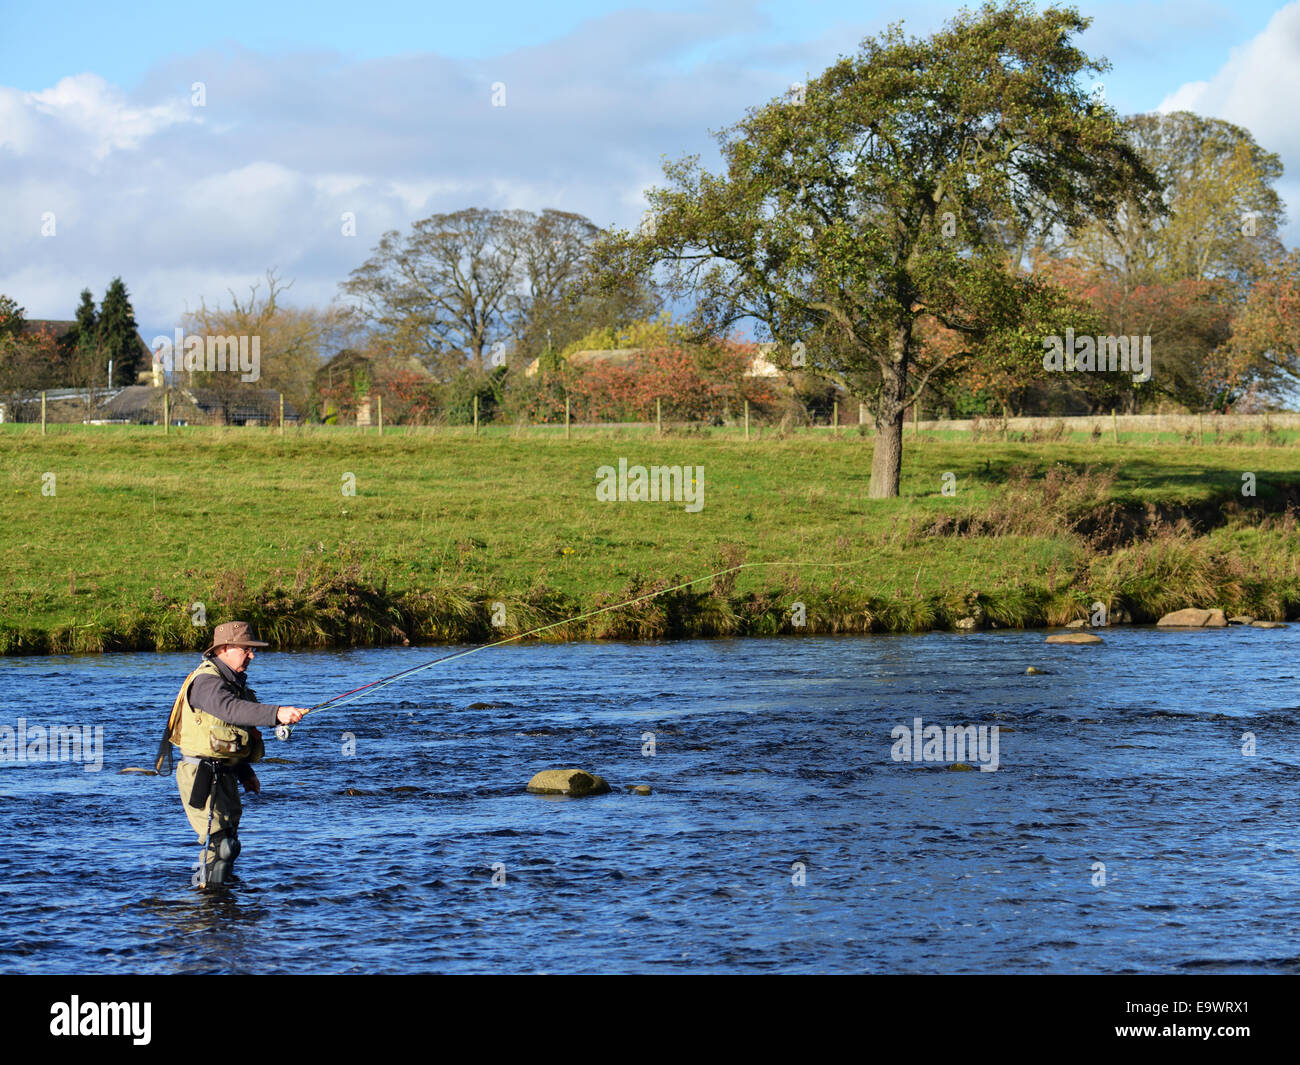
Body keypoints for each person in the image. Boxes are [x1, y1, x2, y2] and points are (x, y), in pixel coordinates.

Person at [156, 621, 310, 887]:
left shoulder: (232, 682)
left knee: (229, 843)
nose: (252, 656)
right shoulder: (206, 682)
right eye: (246, 650)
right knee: (222, 845)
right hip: (200, 775)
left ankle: (221, 899)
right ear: (225, 649)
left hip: (225, 772)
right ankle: (211, 905)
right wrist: (276, 714)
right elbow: (230, 710)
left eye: (252, 650)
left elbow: (228, 734)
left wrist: (245, 773)